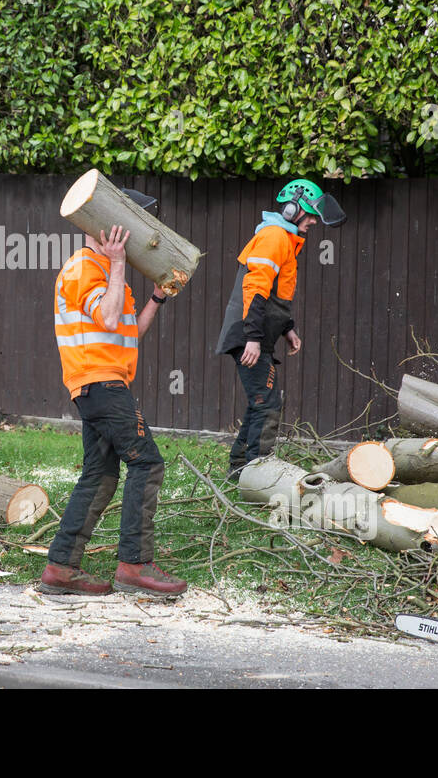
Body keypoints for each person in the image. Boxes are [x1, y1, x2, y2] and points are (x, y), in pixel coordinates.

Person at [39, 190, 187, 597]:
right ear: (108, 229)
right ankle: (135, 566)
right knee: (147, 463)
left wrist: (158, 296)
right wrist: (119, 262)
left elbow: (126, 332)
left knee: (100, 474)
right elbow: (106, 314)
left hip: (102, 383)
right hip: (100, 382)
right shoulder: (87, 268)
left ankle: (61, 567)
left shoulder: (106, 272)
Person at [214, 180, 346, 481]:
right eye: (310, 213)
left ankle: (240, 470)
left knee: (262, 400)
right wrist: (253, 338)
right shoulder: (274, 237)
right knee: (268, 402)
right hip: (249, 334)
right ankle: (258, 474)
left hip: (258, 334)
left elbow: (277, 293)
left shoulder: (285, 240)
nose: (313, 220)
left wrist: (287, 328)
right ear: (291, 209)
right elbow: (256, 289)